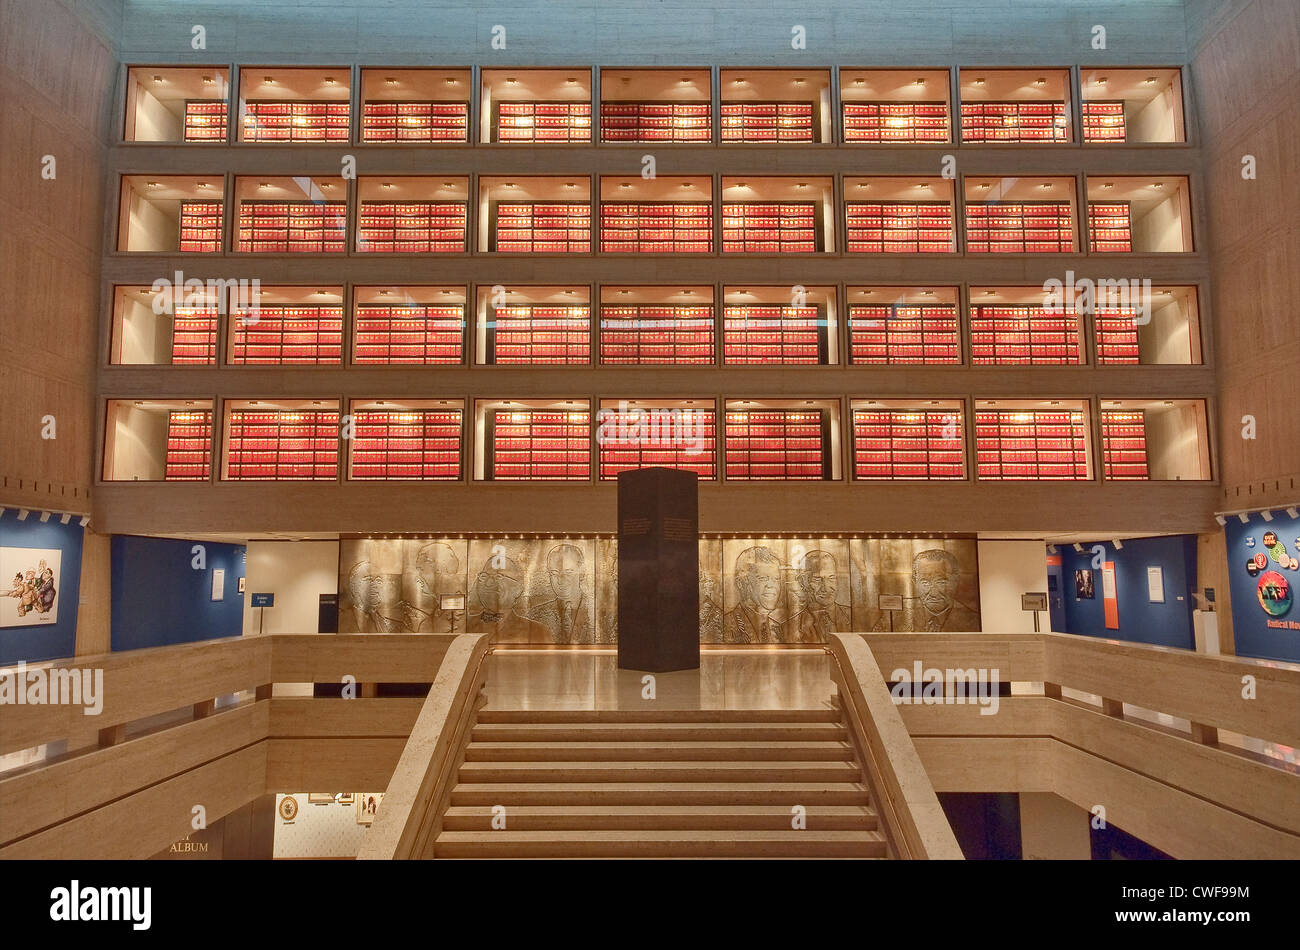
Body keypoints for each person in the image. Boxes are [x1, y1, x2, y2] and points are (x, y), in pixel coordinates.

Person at [874, 549, 979, 632]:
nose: (933, 593)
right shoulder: (895, 616)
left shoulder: (972, 620)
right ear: (915, 582)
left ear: (955, 581)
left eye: (941, 582)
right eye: (925, 583)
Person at [468, 555, 548, 643]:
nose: (488, 583)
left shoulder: (538, 631)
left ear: (518, 589)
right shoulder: (465, 625)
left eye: (498, 577)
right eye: (484, 576)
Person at [528, 544, 594, 644]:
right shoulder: (535, 614)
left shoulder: (597, 612)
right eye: (554, 573)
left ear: (582, 573)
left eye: (568, 573)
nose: (560, 580)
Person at [723, 546, 786, 643]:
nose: (771, 586)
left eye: (776, 579)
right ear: (741, 583)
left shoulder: (777, 629)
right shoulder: (726, 624)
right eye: (763, 578)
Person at [791, 550, 852, 642]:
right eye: (818, 579)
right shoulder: (794, 625)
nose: (826, 588)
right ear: (804, 583)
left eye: (832, 578)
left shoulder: (850, 616)